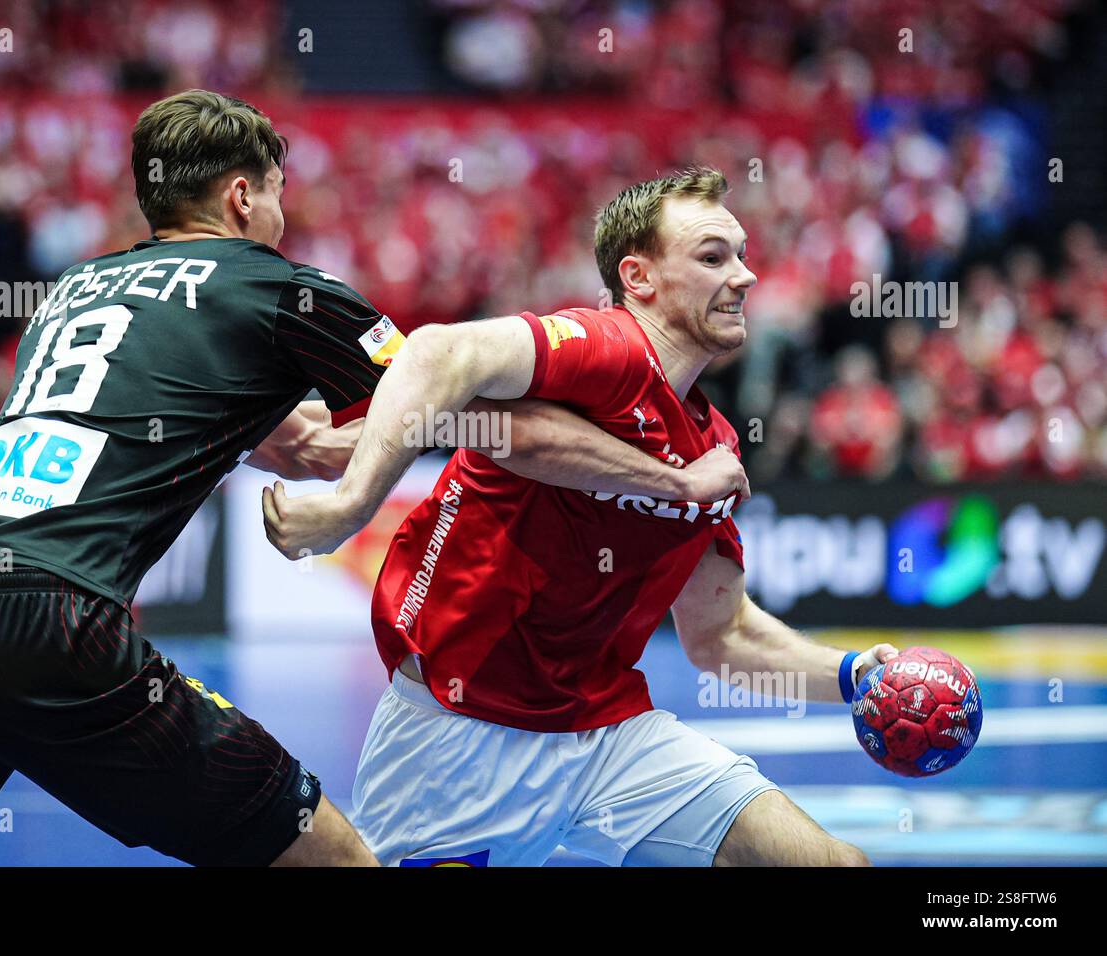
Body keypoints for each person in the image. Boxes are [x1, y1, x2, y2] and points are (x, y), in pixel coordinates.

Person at [0, 93, 746, 868]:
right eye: (284, 196)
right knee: (335, 858)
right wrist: (670, 479)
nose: (286, 216)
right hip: (49, 620)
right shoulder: (267, 284)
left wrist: (369, 443)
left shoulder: (76, 292)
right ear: (247, 197)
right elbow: (477, 416)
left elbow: (292, 440)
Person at [264, 168, 898, 866]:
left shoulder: (714, 443)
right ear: (641, 278)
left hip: (609, 734)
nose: (745, 276)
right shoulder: (610, 349)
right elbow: (440, 352)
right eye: (714, 257)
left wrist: (852, 675)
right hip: (457, 737)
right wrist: (350, 504)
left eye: (743, 255)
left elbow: (723, 634)